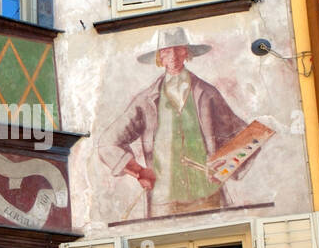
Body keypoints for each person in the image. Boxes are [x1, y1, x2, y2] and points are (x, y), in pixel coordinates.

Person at [99, 28, 254, 217]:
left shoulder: (207, 94)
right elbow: (107, 142)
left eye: (178, 49)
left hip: (208, 195)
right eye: (166, 51)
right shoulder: (145, 101)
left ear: (186, 52)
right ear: (159, 57)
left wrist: (226, 165)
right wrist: (138, 171)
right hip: (164, 201)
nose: (172, 56)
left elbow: (248, 136)